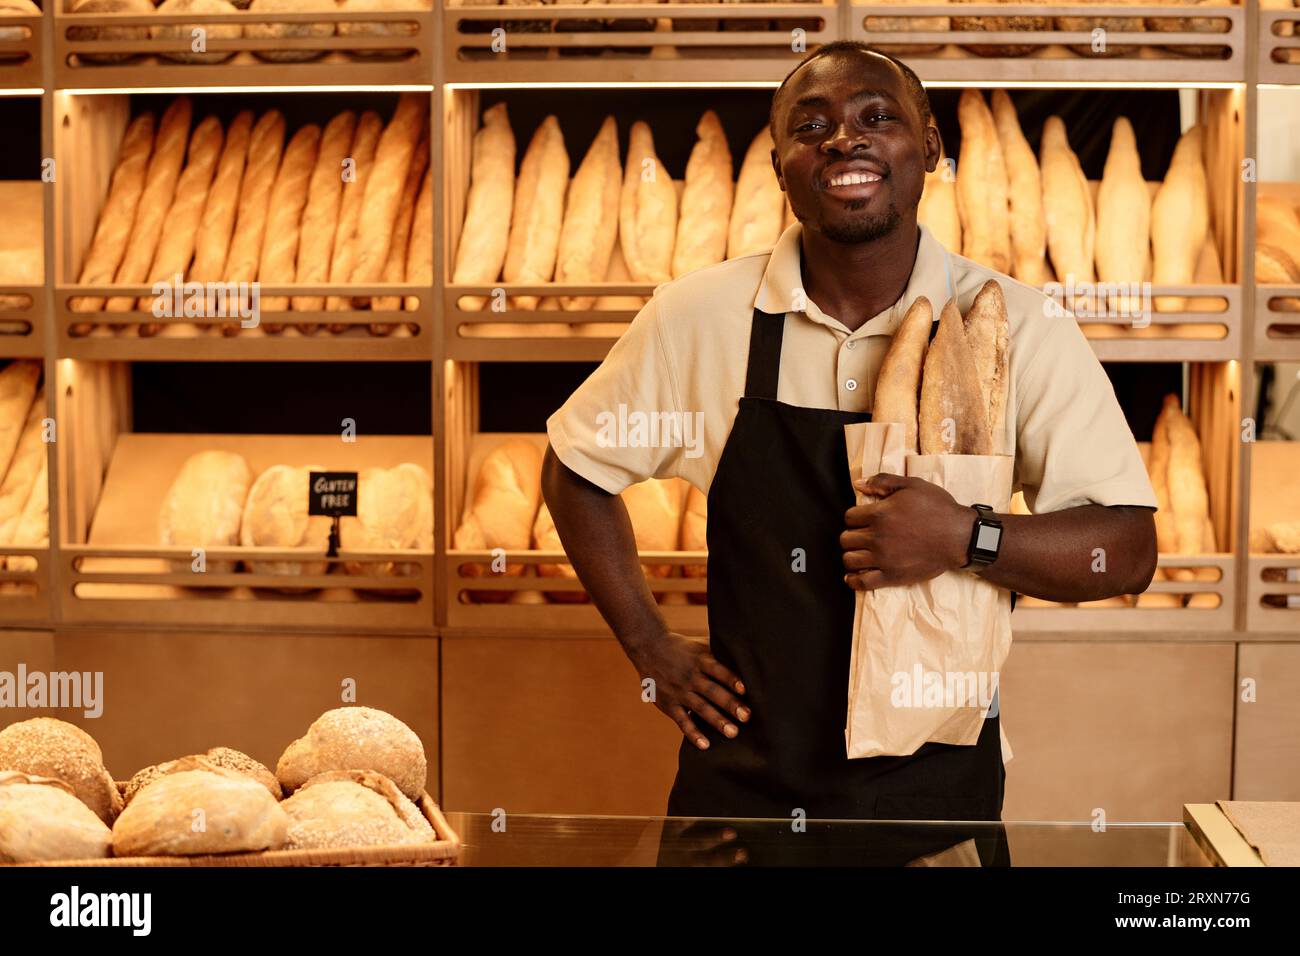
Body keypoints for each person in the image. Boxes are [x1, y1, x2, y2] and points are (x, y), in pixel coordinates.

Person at [540, 41, 1158, 824]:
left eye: (877, 117)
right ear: (779, 164)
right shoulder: (697, 318)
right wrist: (649, 647)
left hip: (939, 805)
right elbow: (574, 469)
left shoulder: (1020, 326)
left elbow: (1128, 550)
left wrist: (971, 537)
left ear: (930, 147)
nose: (843, 139)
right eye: (811, 126)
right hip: (741, 801)